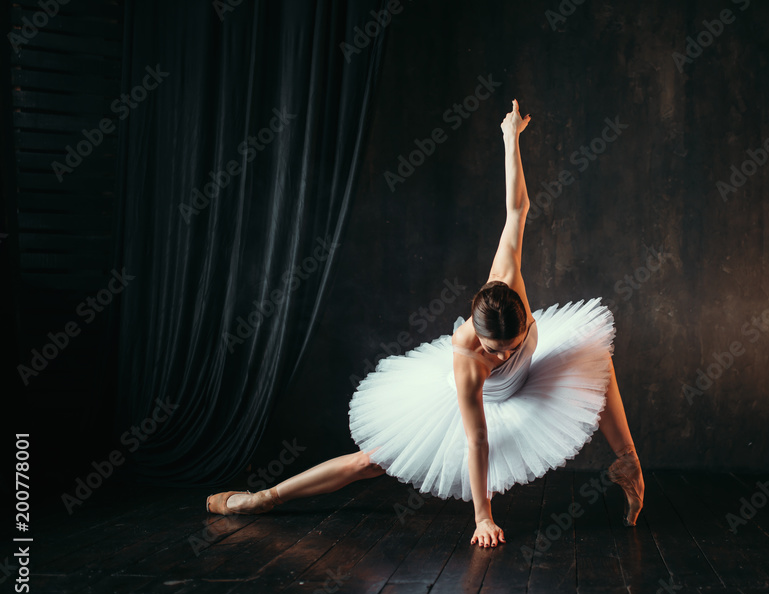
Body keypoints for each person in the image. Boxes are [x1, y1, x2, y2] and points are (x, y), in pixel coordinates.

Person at [207, 100, 645, 547]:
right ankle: (263, 498)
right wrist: (482, 519)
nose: (504, 355)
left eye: (514, 345)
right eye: (495, 349)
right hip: (476, 404)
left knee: (594, 356)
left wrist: (509, 138)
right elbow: (477, 441)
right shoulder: (468, 358)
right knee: (368, 463)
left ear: (520, 311)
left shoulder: (507, 277)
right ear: (478, 335)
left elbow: (517, 209)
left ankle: (627, 461)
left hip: (527, 385)